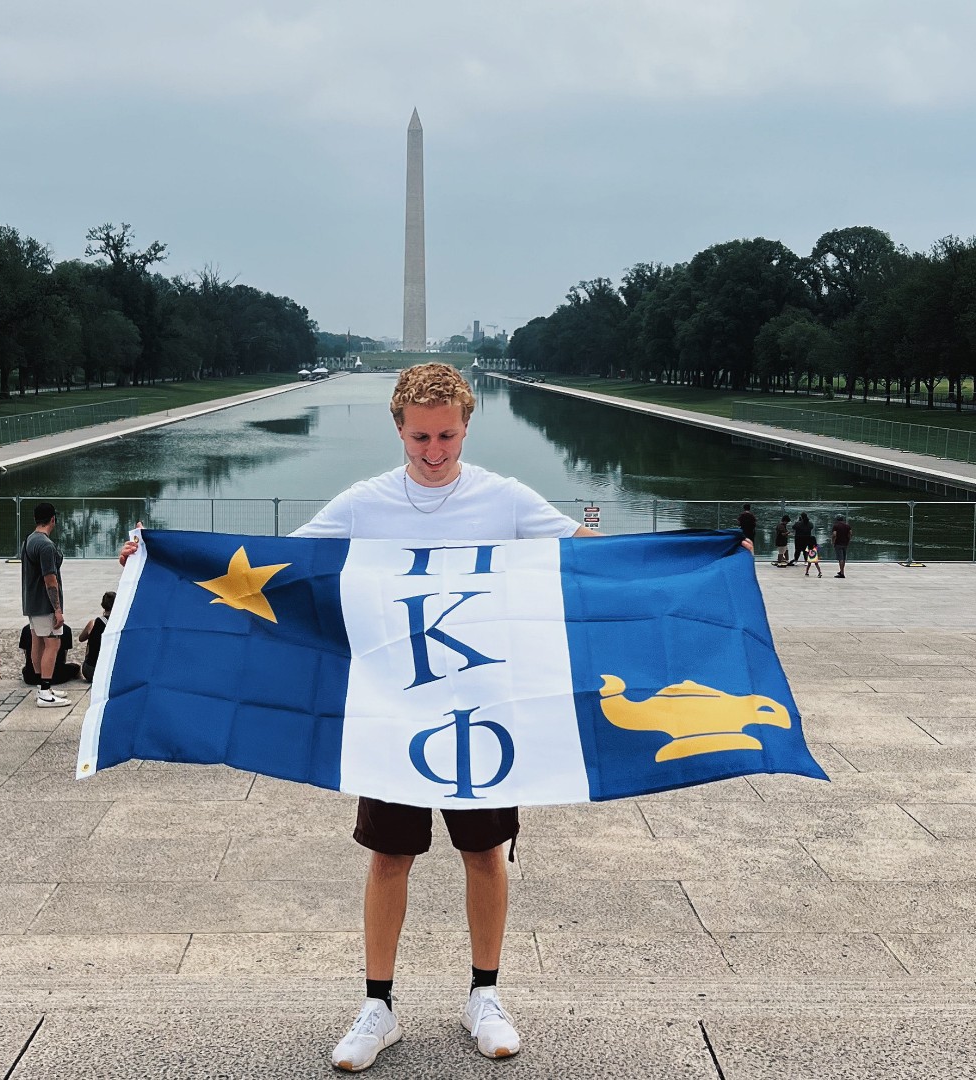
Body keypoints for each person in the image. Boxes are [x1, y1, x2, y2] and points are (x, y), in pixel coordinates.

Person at [116, 364, 754, 1072]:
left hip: (485, 707)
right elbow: (275, 567)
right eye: (420, 436)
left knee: (484, 853)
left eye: (447, 435)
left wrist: (704, 560)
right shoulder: (365, 503)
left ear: (466, 426)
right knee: (390, 855)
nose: (434, 451)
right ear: (398, 429)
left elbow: (592, 556)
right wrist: (157, 560)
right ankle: (378, 1005)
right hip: (395, 712)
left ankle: (485, 994)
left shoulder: (502, 498)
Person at [21, 501, 72, 707]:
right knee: (53, 643)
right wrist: (57, 610)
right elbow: (50, 580)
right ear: (53, 519)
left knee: (37, 642)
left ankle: (43, 687)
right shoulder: (45, 545)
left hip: (32, 602)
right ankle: (44, 692)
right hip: (45, 605)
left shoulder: (29, 540)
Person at [79, 590, 116, 682]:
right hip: (108, 672)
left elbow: (81, 638)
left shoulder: (94, 623)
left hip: (89, 671)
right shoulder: (118, 625)